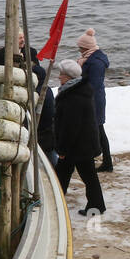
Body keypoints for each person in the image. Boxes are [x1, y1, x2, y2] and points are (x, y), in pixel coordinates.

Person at [53, 59, 106, 215]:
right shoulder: (77, 90)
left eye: (61, 74)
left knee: (87, 176)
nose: (59, 77)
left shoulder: (72, 96)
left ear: (69, 77)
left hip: (79, 146)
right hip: (81, 143)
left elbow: (70, 127)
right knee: (63, 173)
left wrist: (62, 148)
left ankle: (96, 206)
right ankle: (57, 199)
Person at [77, 28, 113, 172]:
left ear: (86, 47)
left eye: (80, 47)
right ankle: (98, 158)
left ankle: (107, 163)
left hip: (94, 100)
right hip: (91, 98)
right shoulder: (89, 58)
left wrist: (83, 95)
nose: (79, 50)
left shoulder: (95, 62)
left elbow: (94, 84)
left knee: (98, 129)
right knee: (95, 129)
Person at [30, 48, 57, 165]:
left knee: (49, 157)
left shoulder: (38, 93)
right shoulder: (47, 89)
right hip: (50, 128)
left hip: (44, 130)